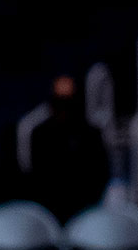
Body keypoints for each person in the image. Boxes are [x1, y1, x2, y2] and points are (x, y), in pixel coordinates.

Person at [28, 75, 111, 221]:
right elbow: (38, 175)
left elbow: (100, 172)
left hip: (85, 209)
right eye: (59, 101)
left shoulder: (91, 134)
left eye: (68, 102)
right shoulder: (41, 134)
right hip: (50, 209)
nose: (64, 108)